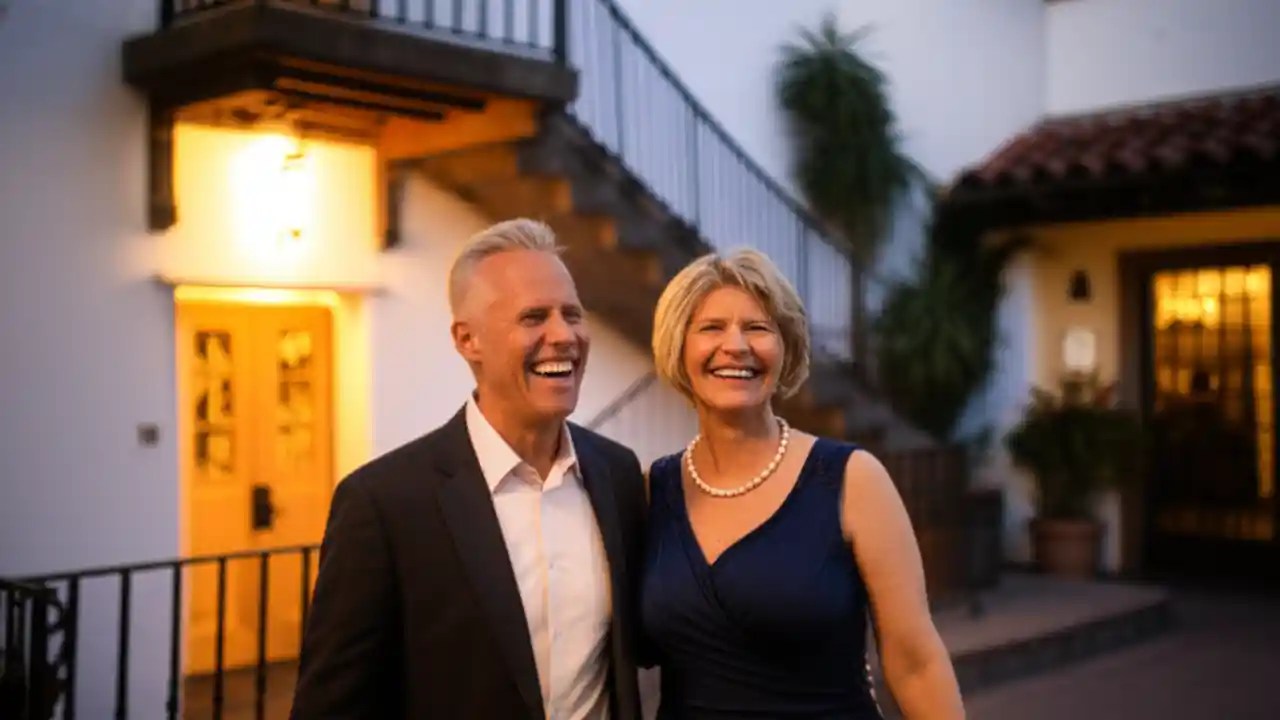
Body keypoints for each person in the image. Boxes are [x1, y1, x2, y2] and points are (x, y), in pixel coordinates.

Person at [289, 219, 648, 719]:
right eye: (533, 317)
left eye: (572, 314)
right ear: (467, 339)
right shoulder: (383, 505)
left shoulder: (618, 475)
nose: (563, 335)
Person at [639, 249, 964, 718]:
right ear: (677, 346)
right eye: (711, 327)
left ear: (785, 347)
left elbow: (915, 662)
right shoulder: (654, 490)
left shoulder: (852, 479)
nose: (736, 345)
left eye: (758, 328)